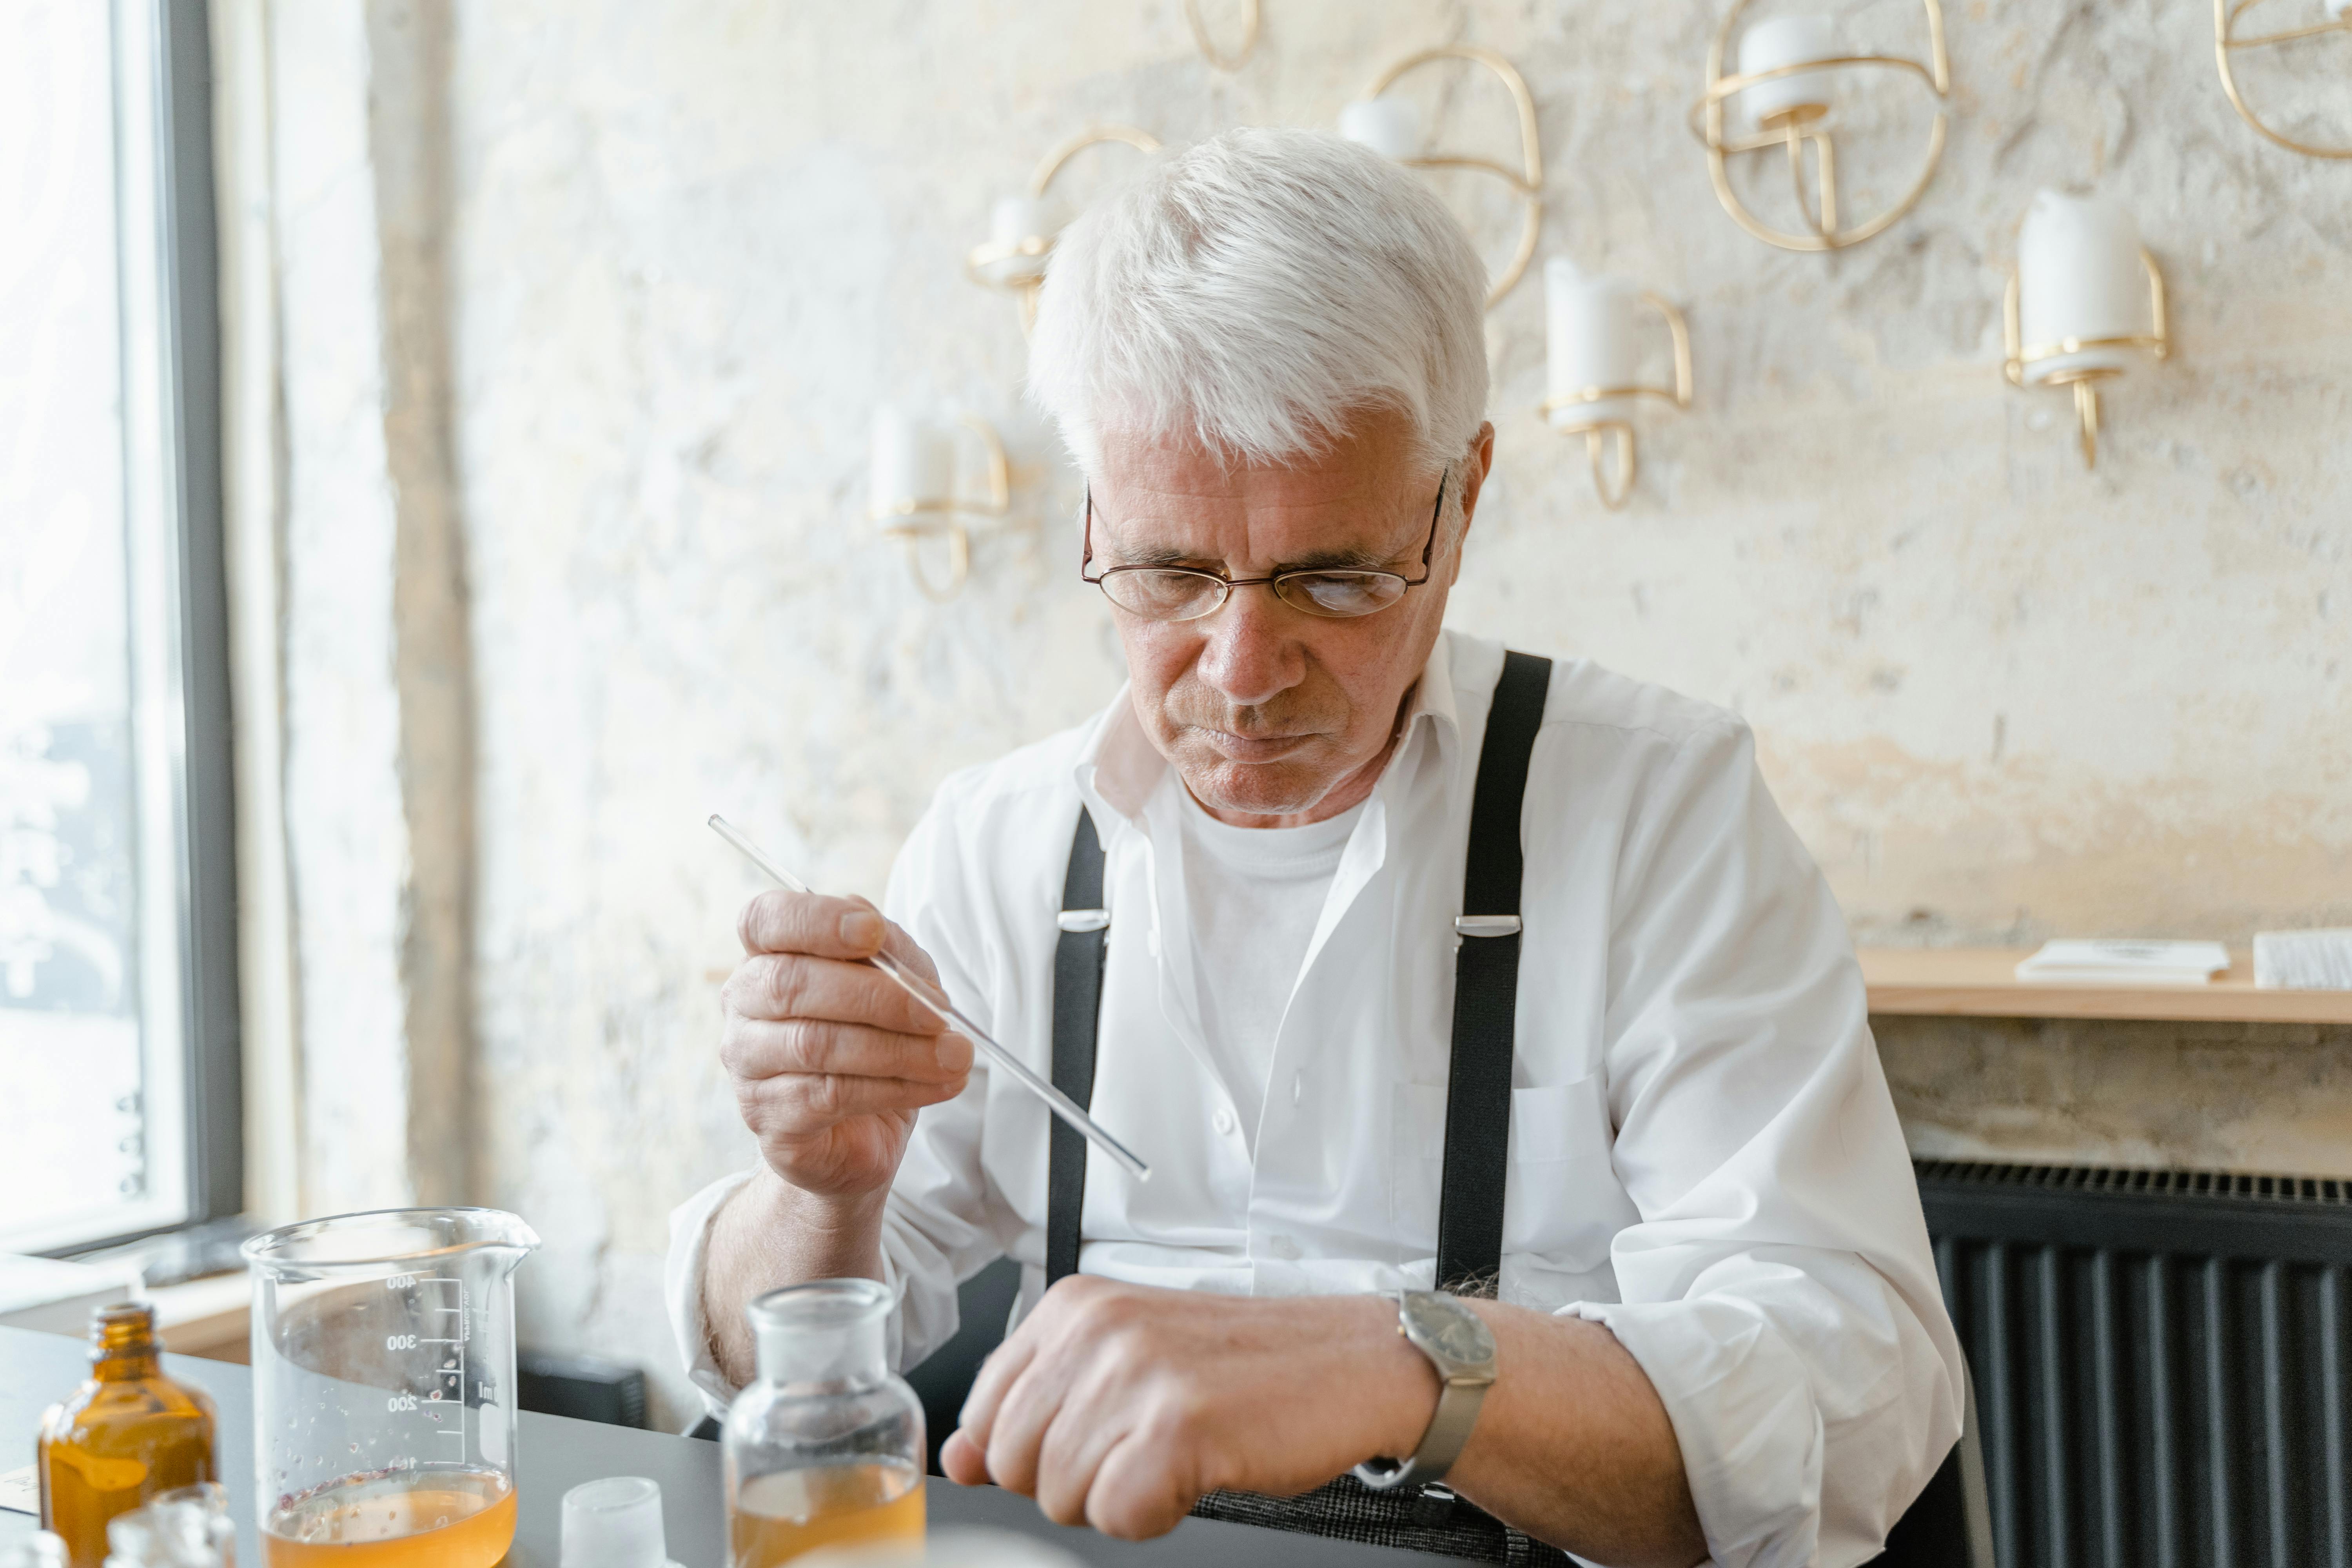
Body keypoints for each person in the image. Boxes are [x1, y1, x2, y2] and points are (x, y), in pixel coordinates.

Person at [667, 127, 1963, 1568]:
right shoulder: (999, 841)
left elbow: (1857, 1392)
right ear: (1094, 517)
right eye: (1168, 573)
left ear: (1460, 500)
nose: (1238, 669)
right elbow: (743, 1353)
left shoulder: (1659, 808)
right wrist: (818, 1195)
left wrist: (1407, 1364)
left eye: (1331, 578)